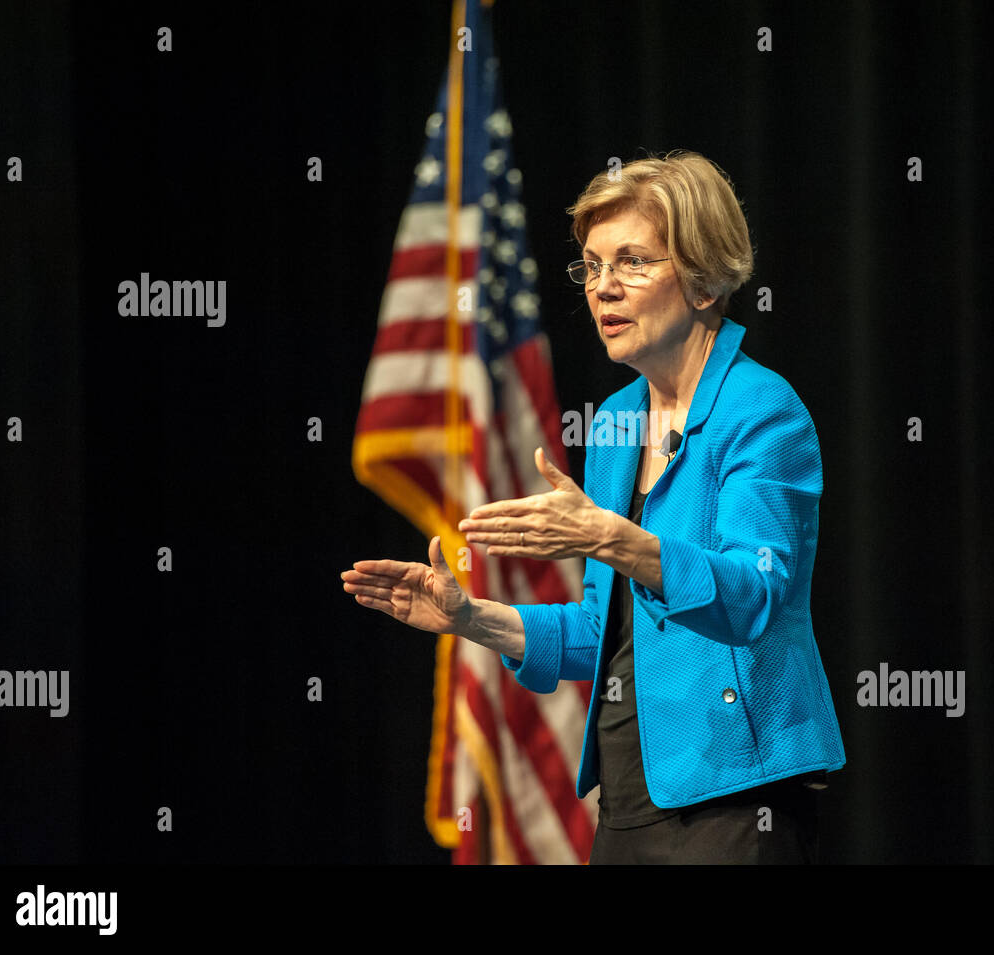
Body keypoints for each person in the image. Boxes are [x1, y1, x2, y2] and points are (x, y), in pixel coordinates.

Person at [342, 150, 845, 864]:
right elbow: (599, 629)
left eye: (633, 262)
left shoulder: (762, 410)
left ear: (703, 281)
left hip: (736, 795)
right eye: (592, 266)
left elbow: (754, 594)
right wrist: (470, 617)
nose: (603, 288)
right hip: (626, 801)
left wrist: (616, 539)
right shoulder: (615, 421)